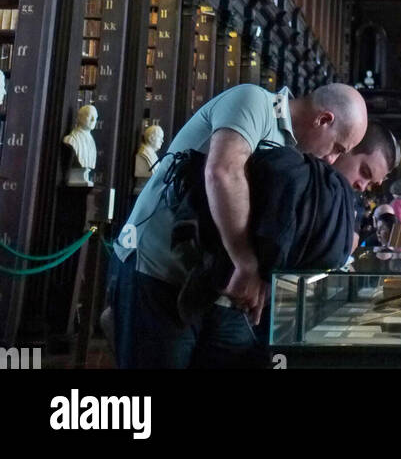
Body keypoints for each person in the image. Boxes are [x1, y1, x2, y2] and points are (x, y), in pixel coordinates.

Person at [110, 82, 367, 368]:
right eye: (336, 148)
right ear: (324, 119)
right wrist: (247, 263)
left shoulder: (297, 155)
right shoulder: (255, 101)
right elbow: (223, 171)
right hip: (158, 270)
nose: (332, 160)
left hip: (213, 289)